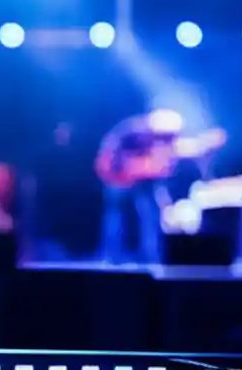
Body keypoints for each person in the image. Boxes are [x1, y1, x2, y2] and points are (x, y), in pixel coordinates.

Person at [94, 109, 226, 264]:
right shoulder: (132, 133)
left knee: (151, 216)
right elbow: (111, 156)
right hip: (118, 179)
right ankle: (113, 257)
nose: (168, 140)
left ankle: (151, 256)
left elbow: (175, 152)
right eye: (167, 136)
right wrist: (128, 171)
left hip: (144, 181)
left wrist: (203, 144)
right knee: (118, 218)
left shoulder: (159, 141)